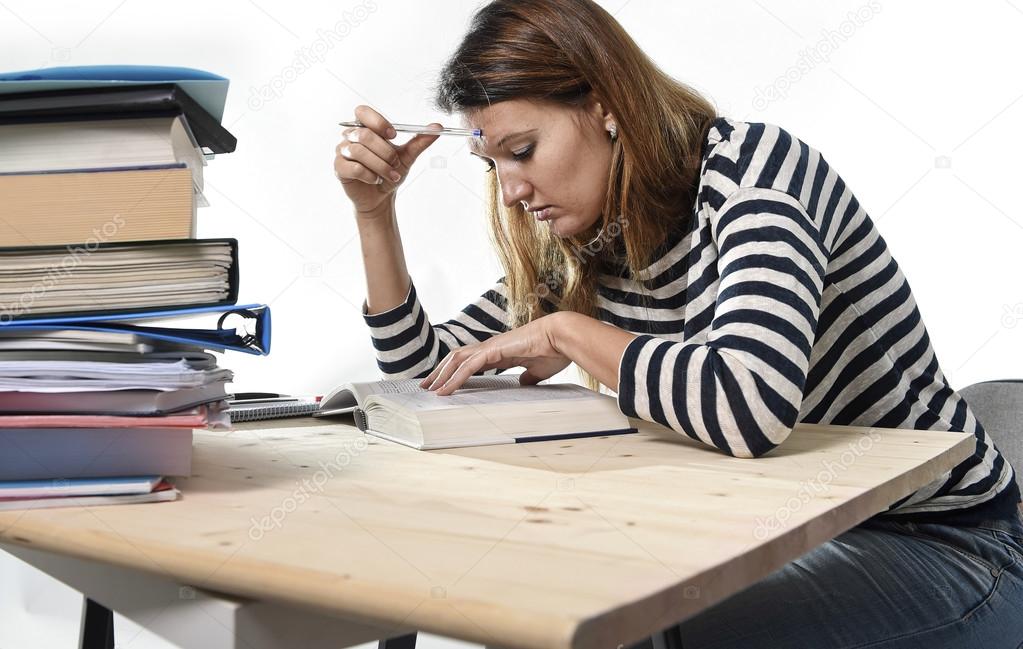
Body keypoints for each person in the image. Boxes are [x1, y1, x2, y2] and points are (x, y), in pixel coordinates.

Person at [333, 0, 1023, 646]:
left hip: (949, 546)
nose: (510, 191)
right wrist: (374, 214)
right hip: (784, 542)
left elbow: (748, 404)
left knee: (648, 627)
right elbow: (426, 379)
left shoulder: (756, 174)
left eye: (522, 151)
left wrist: (566, 331)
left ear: (603, 105)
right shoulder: (590, 240)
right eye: (491, 165)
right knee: (561, 596)